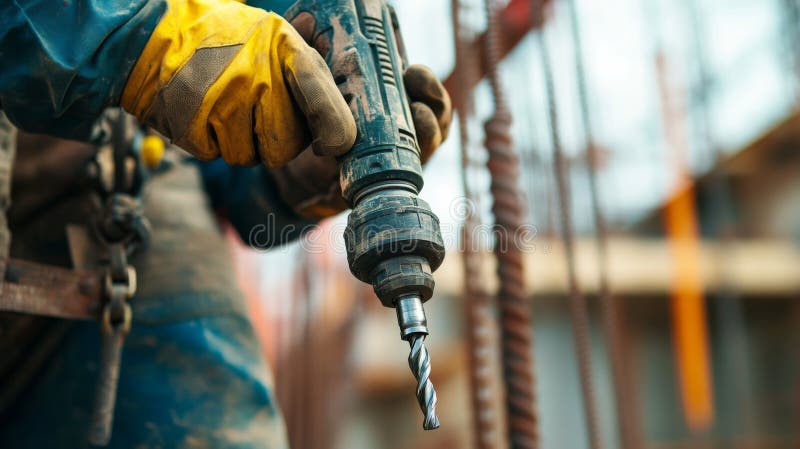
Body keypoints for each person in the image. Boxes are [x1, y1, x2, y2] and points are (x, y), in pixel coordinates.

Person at [0, 0, 452, 447]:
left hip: (117, 156)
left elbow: (231, 91)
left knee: (210, 418)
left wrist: (289, 166)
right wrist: (138, 38)